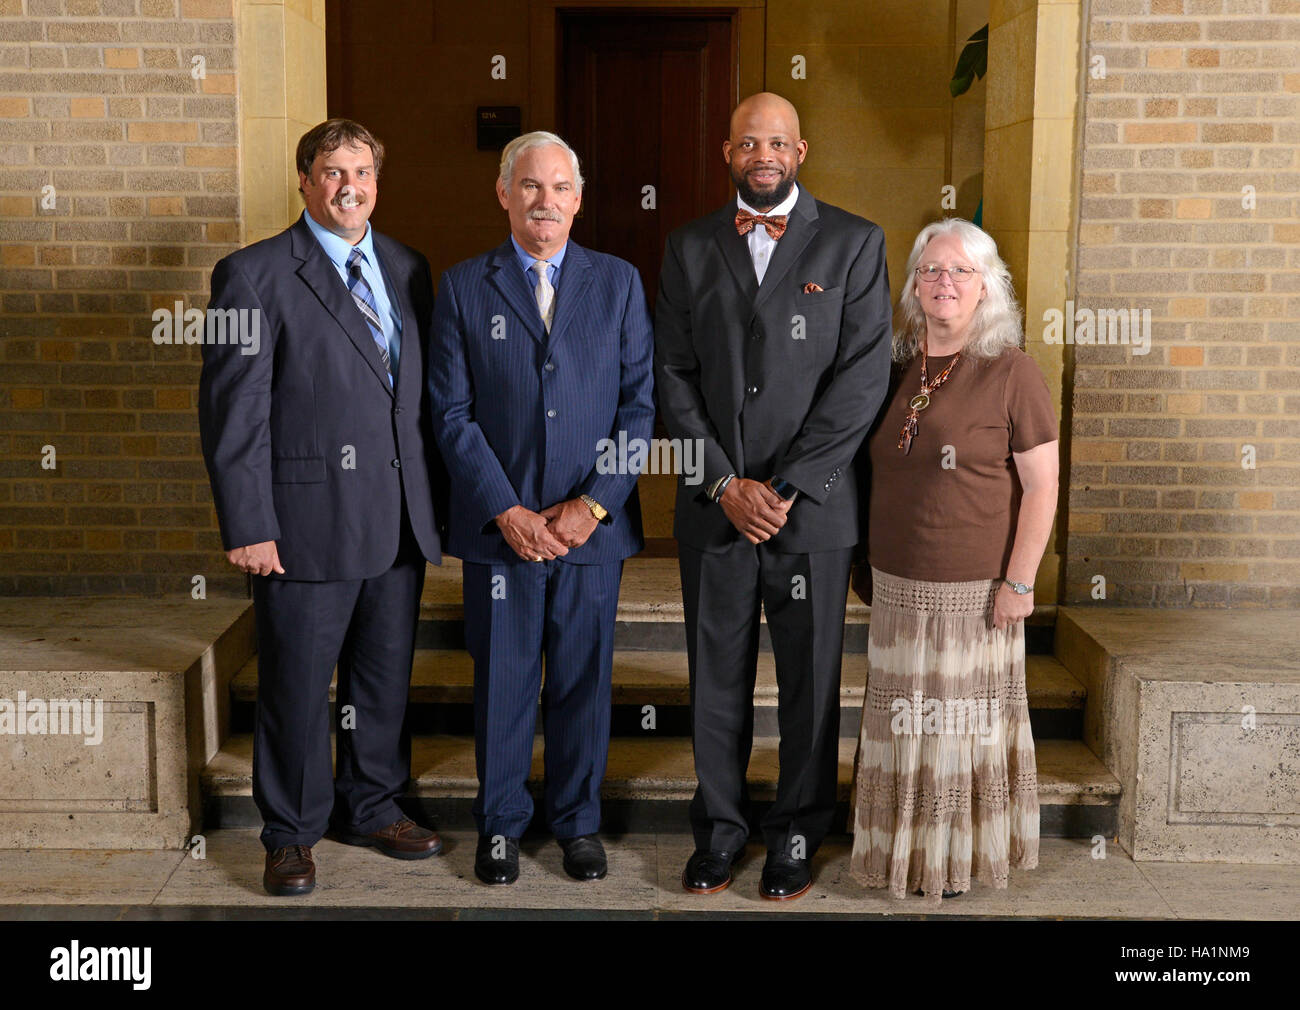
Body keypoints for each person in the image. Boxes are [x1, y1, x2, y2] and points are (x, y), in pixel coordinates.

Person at [198, 119, 447, 897]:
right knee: (298, 689)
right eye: (333, 172)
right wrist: (249, 524)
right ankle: (290, 833)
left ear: (378, 180)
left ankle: (373, 804)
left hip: (397, 519)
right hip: (301, 525)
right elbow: (233, 412)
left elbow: (413, 402)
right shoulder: (253, 274)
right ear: (305, 181)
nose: (350, 187)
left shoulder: (408, 266)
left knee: (382, 682)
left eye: (363, 172)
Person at [655, 93, 893, 900]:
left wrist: (785, 487)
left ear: (802, 151)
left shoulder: (857, 243)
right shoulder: (687, 246)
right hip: (714, 509)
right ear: (727, 152)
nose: (764, 153)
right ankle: (719, 832)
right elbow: (672, 377)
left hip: (812, 513)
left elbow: (861, 381)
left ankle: (796, 832)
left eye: (779, 141)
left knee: (810, 681)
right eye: (749, 141)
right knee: (714, 680)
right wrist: (725, 484)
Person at [428, 131, 655, 886]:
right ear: (504, 194)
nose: (545, 202)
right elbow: (450, 414)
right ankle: (498, 826)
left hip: (590, 530)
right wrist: (508, 510)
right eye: (530, 186)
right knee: (504, 679)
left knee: (582, 683)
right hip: (503, 536)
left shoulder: (619, 283)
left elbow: (639, 408)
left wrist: (591, 507)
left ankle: (577, 825)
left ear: (579, 200)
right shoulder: (463, 287)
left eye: (560, 188)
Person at [849, 217, 1058, 906]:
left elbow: (1042, 485)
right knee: (903, 729)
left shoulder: (1012, 372)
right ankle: (903, 857)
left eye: (959, 271)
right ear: (913, 287)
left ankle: (952, 862)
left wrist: (1020, 582)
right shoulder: (897, 366)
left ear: (986, 288)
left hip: (974, 594)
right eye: (931, 270)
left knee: (953, 735)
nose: (943, 282)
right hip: (899, 590)